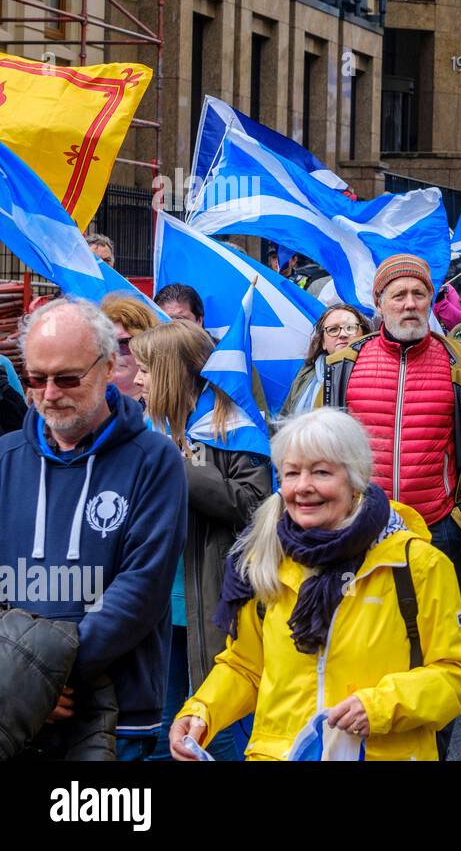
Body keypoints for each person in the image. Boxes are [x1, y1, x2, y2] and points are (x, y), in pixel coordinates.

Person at [169, 408, 461, 760]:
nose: (303, 487)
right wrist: (201, 711)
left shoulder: (416, 564)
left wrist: (378, 707)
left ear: (355, 480)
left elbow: (457, 673)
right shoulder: (264, 561)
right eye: (291, 473)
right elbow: (245, 666)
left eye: (321, 472)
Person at [0, 298, 187, 759]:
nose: (48, 393)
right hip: (13, 706)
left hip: (117, 715)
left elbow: (142, 589)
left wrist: (40, 676)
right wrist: (18, 681)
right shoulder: (4, 457)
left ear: (106, 369)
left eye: (66, 378)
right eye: (35, 378)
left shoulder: (154, 459)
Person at [321, 254, 461, 664]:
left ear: (431, 300)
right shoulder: (343, 365)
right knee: (368, 647)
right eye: (398, 295)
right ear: (379, 303)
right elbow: (327, 449)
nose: (409, 303)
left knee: (439, 652)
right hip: (363, 531)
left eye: (419, 294)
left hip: (437, 529)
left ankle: (436, 730)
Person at [129, 320, 273, 760]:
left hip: (210, 600)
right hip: (154, 603)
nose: (136, 379)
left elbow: (257, 505)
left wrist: (182, 468)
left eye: (146, 370)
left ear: (172, 372)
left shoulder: (232, 427)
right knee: (162, 729)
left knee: (219, 729)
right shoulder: (145, 425)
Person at [281, 305, 371, 416]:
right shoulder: (305, 375)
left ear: (364, 334)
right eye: (333, 329)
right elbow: (284, 420)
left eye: (350, 328)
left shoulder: (376, 368)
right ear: (323, 342)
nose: (342, 334)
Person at [100, 292, 160, 402]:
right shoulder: (89, 404)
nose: (113, 354)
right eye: (106, 344)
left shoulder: (165, 410)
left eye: (122, 344)